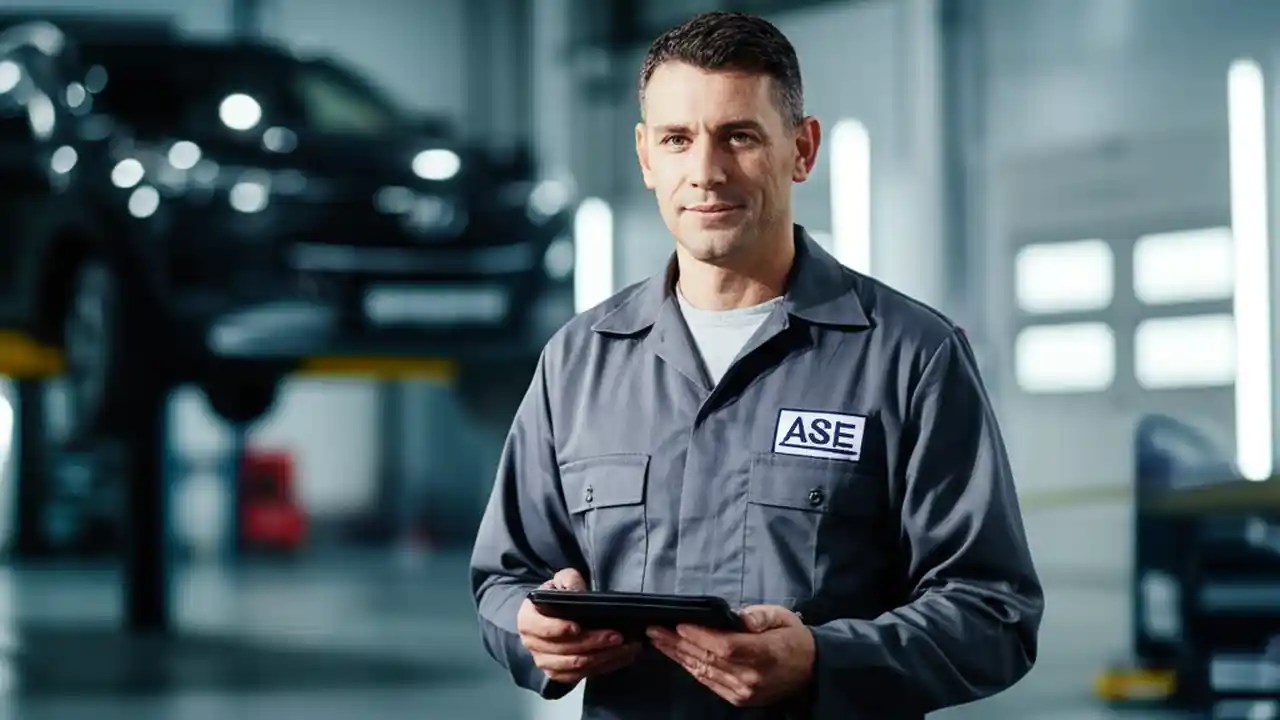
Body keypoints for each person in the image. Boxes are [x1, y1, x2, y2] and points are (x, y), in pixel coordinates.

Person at [470, 10, 1043, 719]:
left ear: (801, 150)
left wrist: (824, 660)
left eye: (739, 136)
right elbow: (505, 577)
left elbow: (995, 613)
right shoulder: (579, 362)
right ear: (647, 157)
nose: (706, 172)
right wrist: (533, 633)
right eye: (678, 140)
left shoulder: (910, 356)